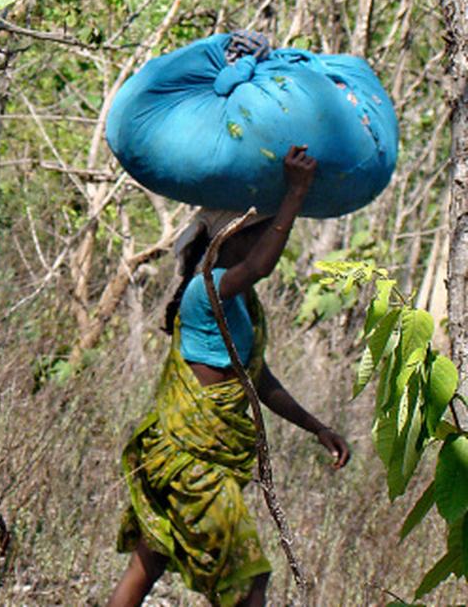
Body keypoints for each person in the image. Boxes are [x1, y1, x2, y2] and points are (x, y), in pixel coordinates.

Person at [107, 147, 351, 607]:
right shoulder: (206, 289)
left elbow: (259, 380)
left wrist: (318, 427)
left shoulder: (239, 304)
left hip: (186, 459)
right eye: (254, 234)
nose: (260, 244)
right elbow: (260, 265)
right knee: (248, 581)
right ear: (227, 239)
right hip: (191, 466)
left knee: (147, 563)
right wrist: (295, 193)